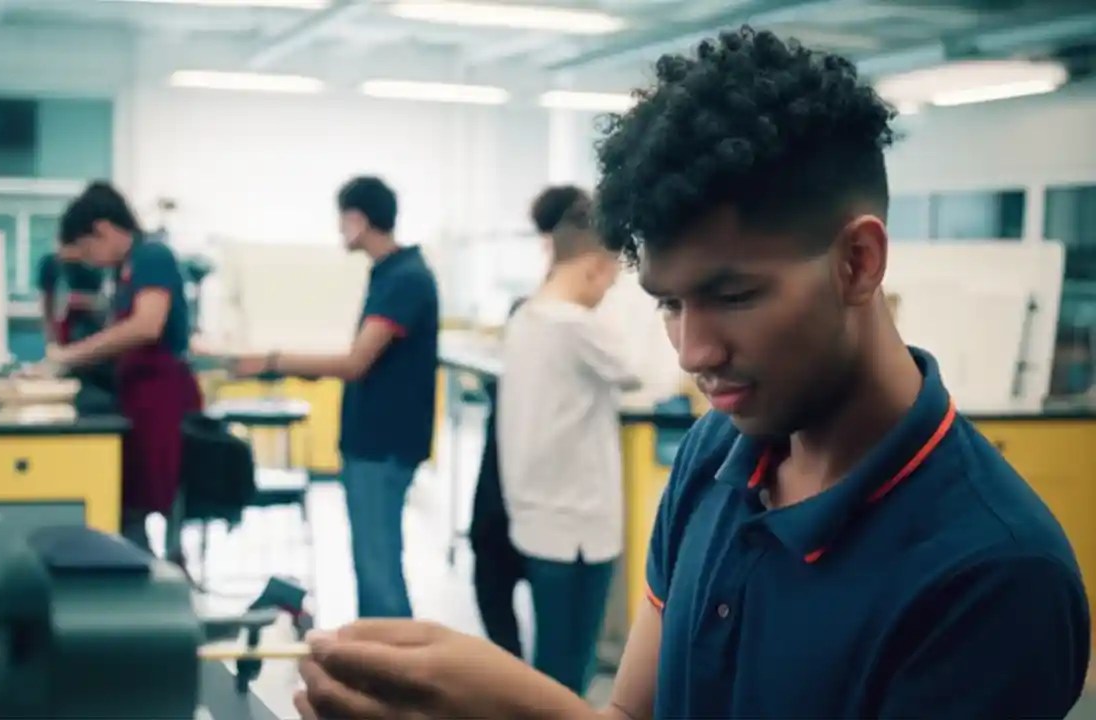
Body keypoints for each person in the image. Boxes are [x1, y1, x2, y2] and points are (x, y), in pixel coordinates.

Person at [293, 27, 1090, 720]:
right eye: (668, 303)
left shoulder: (994, 577)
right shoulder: (717, 455)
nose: (692, 351)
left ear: (858, 261)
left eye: (732, 295)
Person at [233, 176, 439, 619]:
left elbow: (356, 363)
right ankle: (379, 667)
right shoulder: (391, 274)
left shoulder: (405, 279)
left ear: (358, 219)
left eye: (342, 219)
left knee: (378, 567)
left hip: (383, 445)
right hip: (374, 441)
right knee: (373, 563)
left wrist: (271, 360)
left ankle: (396, 676)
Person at [497, 186, 640, 695]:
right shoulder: (579, 326)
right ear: (594, 267)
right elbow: (638, 370)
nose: (609, 290)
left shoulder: (524, 317)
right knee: (567, 676)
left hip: (536, 517)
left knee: (550, 664)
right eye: (612, 277)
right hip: (580, 526)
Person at [44, 181, 202, 557]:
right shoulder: (126, 270)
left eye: (87, 248)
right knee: (131, 501)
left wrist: (71, 355)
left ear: (103, 230)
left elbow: (147, 325)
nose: (89, 259)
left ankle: (163, 581)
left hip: (161, 399)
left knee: (154, 497)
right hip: (137, 396)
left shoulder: (152, 256)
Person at [468, 186, 589, 658]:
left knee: (502, 576)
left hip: (535, 477)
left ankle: (521, 676)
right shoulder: (533, 310)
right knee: (493, 572)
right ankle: (516, 674)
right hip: (512, 469)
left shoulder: (571, 312)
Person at [36, 241, 115, 397]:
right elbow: (48, 308)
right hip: (66, 342)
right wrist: (52, 345)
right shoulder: (52, 265)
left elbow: (111, 306)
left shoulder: (101, 264)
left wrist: (91, 302)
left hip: (96, 346)